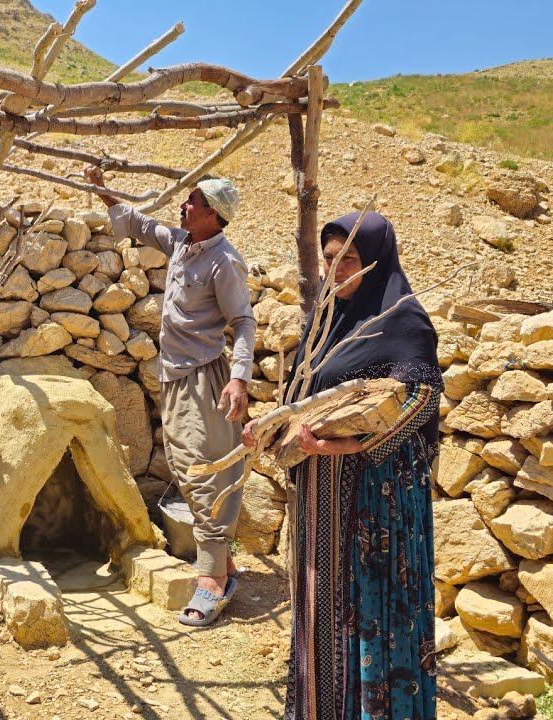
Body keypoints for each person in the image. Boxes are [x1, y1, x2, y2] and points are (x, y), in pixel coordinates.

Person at [244, 212, 440, 719]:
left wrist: (348, 447)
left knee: (368, 608)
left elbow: (421, 396)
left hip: (375, 502)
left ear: (376, 259)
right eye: (329, 258)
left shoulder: (403, 319)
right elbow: (302, 398)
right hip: (319, 494)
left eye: (348, 258)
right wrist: (271, 429)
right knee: (318, 606)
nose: (335, 269)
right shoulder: (328, 320)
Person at [84, 166, 254, 627]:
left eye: (194, 201)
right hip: (176, 377)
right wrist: (102, 190)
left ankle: (213, 583)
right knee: (182, 466)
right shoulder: (181, 242)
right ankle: (224, 567)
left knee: (205, 474)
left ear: (213, 215)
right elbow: (138, 224)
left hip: (207, 379)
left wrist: (238, 379)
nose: (184, 204)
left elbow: (242, 323)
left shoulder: (225, 262)